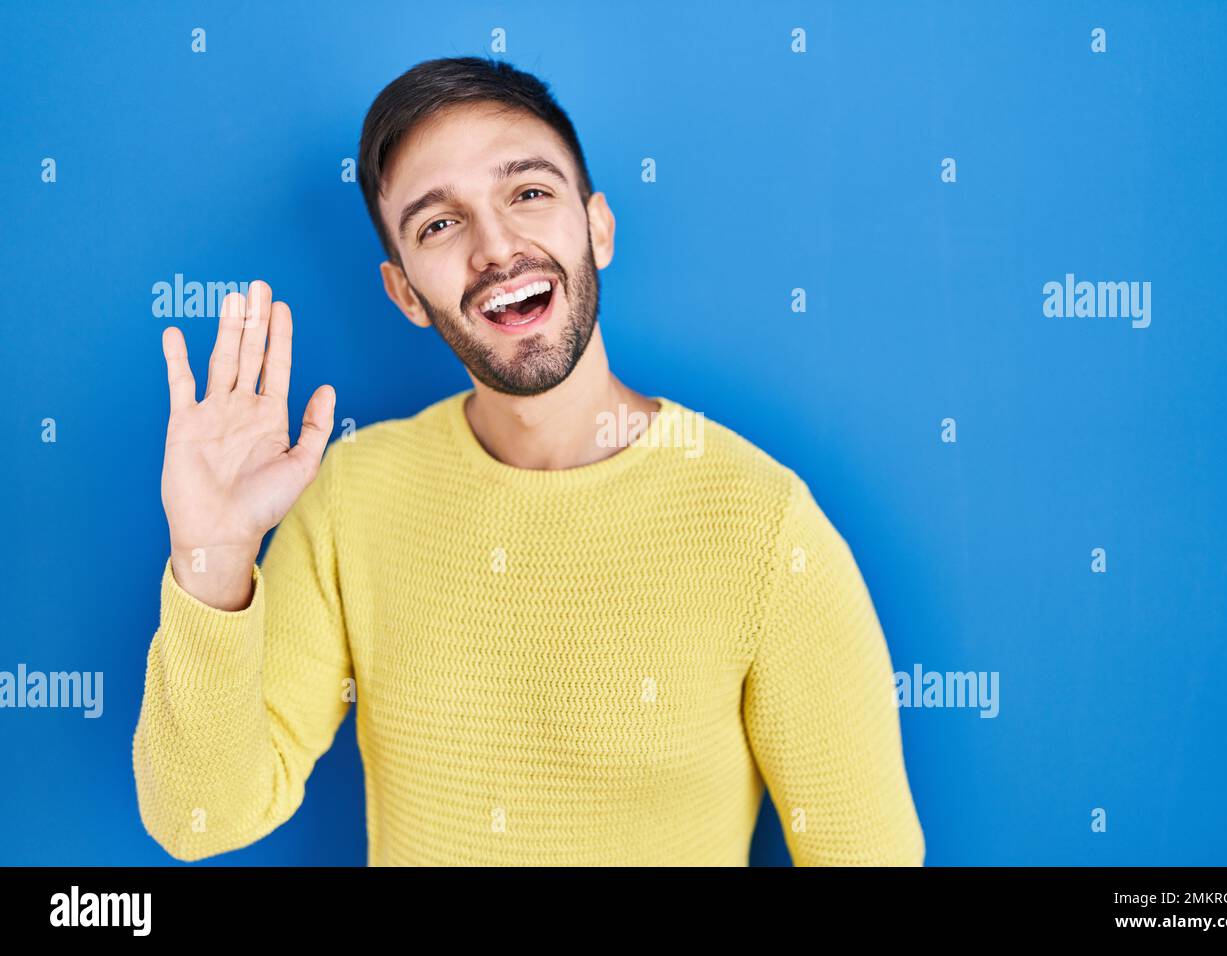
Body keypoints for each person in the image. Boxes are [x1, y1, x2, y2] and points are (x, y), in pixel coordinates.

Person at [132, 56, 926, 866]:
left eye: (529, 193)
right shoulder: (349, 497)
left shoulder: (765, 525)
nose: (497, 247)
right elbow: (200, 820)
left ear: (599, 228)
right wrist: (215, 559)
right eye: (439, 224)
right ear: (406, 293)